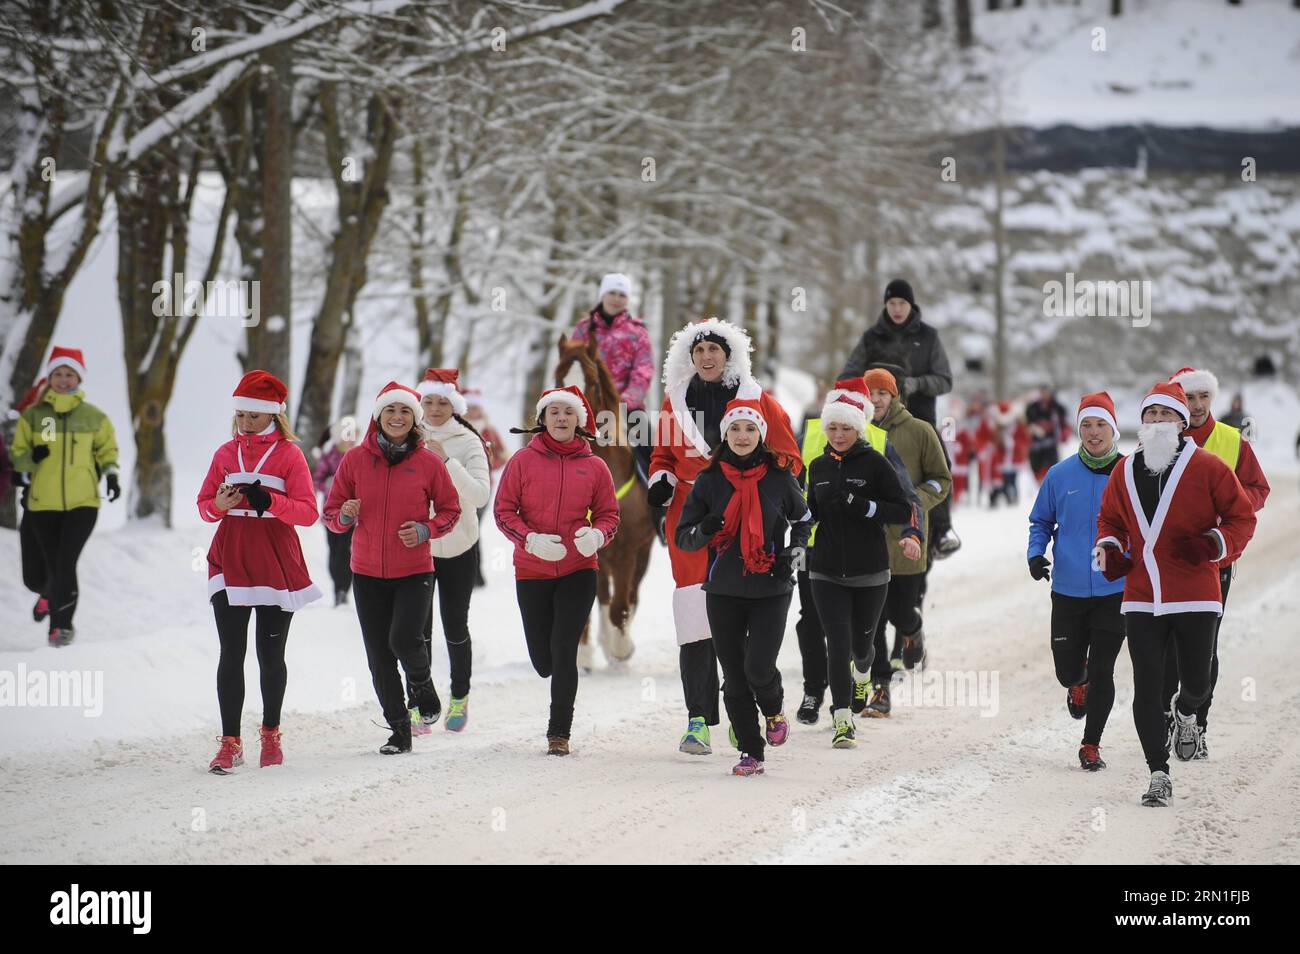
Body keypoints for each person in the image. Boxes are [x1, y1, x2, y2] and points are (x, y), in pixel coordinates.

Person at [646, 317, 802, 756]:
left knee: (740, 619)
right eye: (699, 351)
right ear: (688, 358)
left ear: (729, 355)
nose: (707, 357)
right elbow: (662, 454)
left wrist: (767, 490)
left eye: (715, 350)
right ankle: (698, 719)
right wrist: (661, 478)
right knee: (694, 614)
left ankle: (744, 714)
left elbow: (789, 456)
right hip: (693, 519)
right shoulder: (675, 401)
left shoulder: (758, 400)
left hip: (746, 524)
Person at [1095, 381, 1255, 807]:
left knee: (1198, 682)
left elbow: (1242, 517)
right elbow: (1109, 521)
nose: (1159, 422)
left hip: (1197, 593)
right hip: (1143, 595)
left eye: (1167, 415)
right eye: (1151, 415)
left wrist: (1214, 544)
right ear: (1142, 422)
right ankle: (1158, 772)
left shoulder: (1208, 467)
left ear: (1183, 422)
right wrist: (1110, 550)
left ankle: (1187, 713)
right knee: (1147, 686)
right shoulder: (1124, 470)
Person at [323, 382, 461, 755]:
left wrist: (426, 529)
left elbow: (451, 511)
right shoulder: (354, 460)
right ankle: (400, 730)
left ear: (414, 419)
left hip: (415, 570)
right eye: (390, 411)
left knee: (403, 639)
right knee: (379, 656)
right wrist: (345, 516)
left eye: (404, 412)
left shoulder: (428, 462)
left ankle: (423, 686)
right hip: (366, 572)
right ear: (378, 416)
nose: (397, 417)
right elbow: (331, 515)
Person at [676, 398, 811, 775]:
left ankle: (773, 710)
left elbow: (805, 520)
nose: (742, 435)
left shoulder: (780, 479)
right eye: (734, 428)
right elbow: (683, 537)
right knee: (733, 676)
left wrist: (794, 551)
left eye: (750, 428)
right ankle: (751, 752)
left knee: (758, 667)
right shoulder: (708, 481)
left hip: (772, 586)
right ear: (725, 434)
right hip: (723, 590)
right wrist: (705, 529)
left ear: (761, 435)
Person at [197, 371, 322, 773]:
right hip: (230, 557)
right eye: (242, 416)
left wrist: (269, 500)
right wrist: (220, 503)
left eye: (255, 416)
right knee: (231, 653)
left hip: (275, 559)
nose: (247, 423)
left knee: (271, 655)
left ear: (273, 416)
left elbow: (307, 512)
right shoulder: (223, 453)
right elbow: (203, 507)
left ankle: (270, 732)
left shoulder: (290, 455)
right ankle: (229, 741)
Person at [495, 385, 619, 755]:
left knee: (565, 649)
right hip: (531, 570)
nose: (561, 418)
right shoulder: (522, 462)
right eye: (554, 412)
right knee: (543, 659)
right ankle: (548, 669)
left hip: (579, 568)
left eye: (568, 412)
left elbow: (610, 515)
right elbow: (504, 512)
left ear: (579, 420)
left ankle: (558, 733)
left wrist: (597, 536)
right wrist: (529, 540)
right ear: (543, 420)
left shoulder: (595, 466)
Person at [792, 377, 924, 725]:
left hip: (865, 553)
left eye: (846, 424)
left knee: (863, 633)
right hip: (816, 550)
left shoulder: (878, 444)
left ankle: (867, 676)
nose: (837, 432)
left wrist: (913, 532)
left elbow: (906, 499)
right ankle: (816, 695)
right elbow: (790, 484)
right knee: (812, 624)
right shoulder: (807, 433)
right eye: (832, 423)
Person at [1160, 366, 1270, 758]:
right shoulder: (1163, 437)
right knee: (1165, 645)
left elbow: (1259, 488)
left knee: (1204, 647)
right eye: (1190, 398)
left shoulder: (1230, 440)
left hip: (1215, 560)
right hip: (1166, 560)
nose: (1197, 405)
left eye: (1204, 396)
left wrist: (1230, 507)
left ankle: (1195, 720)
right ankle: (1166, 718)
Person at [1027, 391, 1126, 771]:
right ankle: (1075, 681)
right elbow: (1041, 521)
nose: (1094, 431)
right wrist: (1036, 554)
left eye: (1101, 423)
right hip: (1067, 589)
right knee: (1068, 669)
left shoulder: (1129, 473)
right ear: (1078, 429)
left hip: (1114, 590)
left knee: (1104, 670)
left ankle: (1091, 744)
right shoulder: (1060, 474)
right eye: (1087, 424)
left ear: (1113, 428)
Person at [10, 347, 120, 647]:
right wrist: (31, 458)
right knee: (35, 576)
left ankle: (62, 628)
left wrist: (111, 474)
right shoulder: (36, 416)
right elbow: (18, 456)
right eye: (57, 373)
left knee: (64, 564)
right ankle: (45, 592)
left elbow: (107, 450)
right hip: (42, 504)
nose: (63, 379)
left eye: (69, 373)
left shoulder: (93, 417)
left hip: (82, 504)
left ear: (79, 378)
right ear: (49, 377)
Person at [840, 279, 959, 556]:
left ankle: (942, 530)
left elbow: (945, 380)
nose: (896, 309)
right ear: (885, 305)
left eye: (902, 303)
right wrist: (869, 386)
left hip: (919, 417)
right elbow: (846, 375)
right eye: (891, 303)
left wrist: (915, 384)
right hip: (872, 418)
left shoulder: (928, 337)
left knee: (940, 464)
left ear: (911, 305)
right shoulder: (871, 337)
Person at [406, 368, 490, 734]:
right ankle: (419, 703)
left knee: (455, 626)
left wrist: (445, 461)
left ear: (454, 406)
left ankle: (459, 696)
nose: (435, 408)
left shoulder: (468, 441)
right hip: (416, 547)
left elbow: (481, 495)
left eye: (443, 402)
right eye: (429, 401)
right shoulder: (405, 435)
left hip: (458, 545)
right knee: (415, 632)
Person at [864, 368, 950, 714]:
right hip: (867, 540)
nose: (875, 400)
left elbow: (941, 480)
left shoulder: (919, 431)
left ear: (894, 395)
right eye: (869, 393)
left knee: (900, 612)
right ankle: (880, 690)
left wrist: (914, 500)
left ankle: (914, 631)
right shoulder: (855, 431)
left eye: (881, 393)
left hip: (908, 538)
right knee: (873, 620)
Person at [569, 273, 656, 486]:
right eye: (612, 293)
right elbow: (571, 365)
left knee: (651, 444)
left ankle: (656, 497)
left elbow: (644, 369)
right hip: (585, 405)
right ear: (602, 295)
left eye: (622, 294)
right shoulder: (583, 329)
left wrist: (626, 400)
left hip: (626, 407)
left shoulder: (637, 332)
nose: (616, 298)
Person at [463, 388, 509, 588]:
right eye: (469, 407)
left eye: (476, 408)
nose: (473, 412)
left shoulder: (488, 430)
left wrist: (487, 465)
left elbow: (503, 455)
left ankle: (475, 575)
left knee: (473, 528)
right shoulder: (455, 427)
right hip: (458, 487)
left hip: (482, 487)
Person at [313, 419, 358, 606]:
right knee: (334, 552)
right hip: (331, 514)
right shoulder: (329, 457)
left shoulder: (358, 456)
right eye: (346, 437)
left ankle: (343, 591)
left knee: (346, 552)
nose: (350, 441)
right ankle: (337, 586)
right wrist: (329, 484)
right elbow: (317, 480)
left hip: (352, 515)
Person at [1025, 386, 1071, 484]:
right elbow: (1027, 423)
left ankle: (1050, 485)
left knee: (1052, 469)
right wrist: (1034, 429)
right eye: (1042, 393)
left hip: (1051, 445)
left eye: (1046, 393)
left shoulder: (1056, 407)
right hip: (1036, 445)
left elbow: (1064, 423)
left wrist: (1063, 434)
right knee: (1037, 469)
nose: (1044, 395)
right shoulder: (1032, 407)